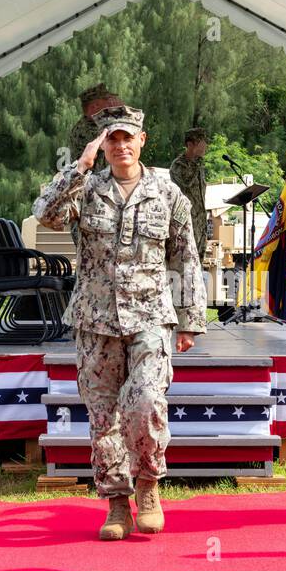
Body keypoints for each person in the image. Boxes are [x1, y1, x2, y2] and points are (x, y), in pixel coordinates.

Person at [33, 105, 206, 539]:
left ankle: (147, 485)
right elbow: (45, 214)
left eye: (129, 137)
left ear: (143, 140)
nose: (121, 146)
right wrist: (79, 167)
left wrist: (190, 321)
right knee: (103, 414)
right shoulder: (87, 189)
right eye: (112, 138)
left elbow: (185, 259)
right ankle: (116, 503)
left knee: (146, 401)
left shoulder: (168, 195)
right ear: (102, 144)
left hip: (151, 316)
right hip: (95, 320)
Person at [170, 127, 210, 272]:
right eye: (202, 142)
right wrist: (195, 162)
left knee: (198, 264)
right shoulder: (179, 165)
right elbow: (186, 183)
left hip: (200, 221)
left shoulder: (200, 165)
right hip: (186, 222)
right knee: (185, 264)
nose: (205, 146)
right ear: (190, 144)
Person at [67, 83, 122, 173]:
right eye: (107, 102)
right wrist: (120, 114)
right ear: (94, 107)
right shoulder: (83, 129)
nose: (111, 106)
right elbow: (110, 137)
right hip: (90, 181)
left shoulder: (98, 124)